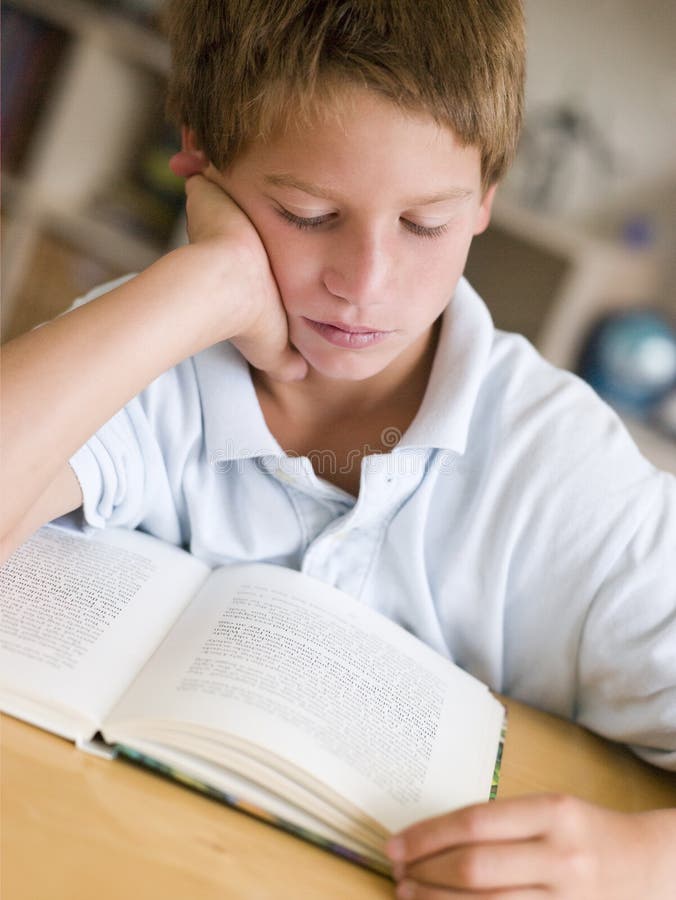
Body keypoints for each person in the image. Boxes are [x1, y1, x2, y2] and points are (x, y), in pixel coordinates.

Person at [1, 1, 675, 895]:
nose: (364, 285)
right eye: (308, 213)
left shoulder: (562, 476)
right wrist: (202, 288)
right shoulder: (146, 356)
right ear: (201, 164)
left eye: (424, 225)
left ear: (485, 199)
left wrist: (639, 863)